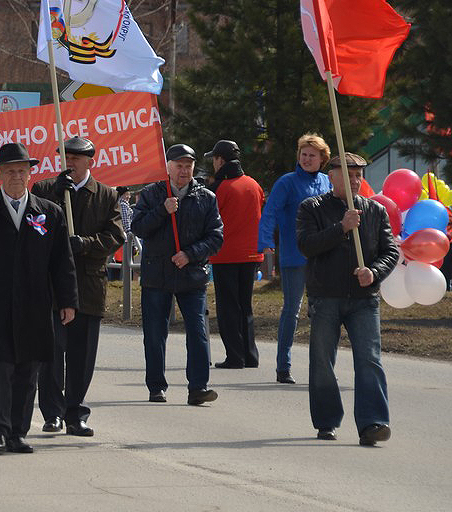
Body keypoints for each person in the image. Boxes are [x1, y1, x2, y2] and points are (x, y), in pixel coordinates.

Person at [0, 143, 78, 454]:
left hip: (35, 305)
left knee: (28, 370)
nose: (16, 177)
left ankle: (18, 432)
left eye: (22, 171)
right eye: (10, 171)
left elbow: (62, 261)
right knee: (0, 368)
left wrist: (67, 300)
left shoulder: (50, 213)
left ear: (30, 174)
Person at [297, 153, 399, 445]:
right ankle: (327, 421)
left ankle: (373, 423)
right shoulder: (312, 208)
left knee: (370, 360)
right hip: (325, 296)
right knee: (322, 362)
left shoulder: (375, 211)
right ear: (332, 177)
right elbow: (306, 245)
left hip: (364, 299)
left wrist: (374, 272)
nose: (355, 181)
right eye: (349, 175)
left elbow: (390, 251)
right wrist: (340, 228)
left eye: (359, 176)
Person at [31, 136, 125, 436]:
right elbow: (34, 229)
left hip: (87, 284)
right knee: (51, 351)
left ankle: (76, 412)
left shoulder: (107, 194)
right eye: (65, 157)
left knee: (82, 354)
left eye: (75, 158)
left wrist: (84, 244)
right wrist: (56, 199)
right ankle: (52, 412)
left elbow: (115, 236)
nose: (69, 162)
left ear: (89, 161)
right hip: (52, 285)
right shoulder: (45, 190)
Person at [130, 144, 224, 406]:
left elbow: (216, 236)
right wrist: (162, 210)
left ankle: (198, 387)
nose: (184, 170)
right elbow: (138, 227)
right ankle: (156, 386)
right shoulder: (151, 194)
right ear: (168, 167)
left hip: (191, 274)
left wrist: (190, 254)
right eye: (179, 165)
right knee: (155, 332)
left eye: (188, 165)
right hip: (156, 274)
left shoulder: (206, 197)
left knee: (197, 331)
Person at [258, 133, 332, 384]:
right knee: (292, 310)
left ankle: (320, 366)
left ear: (322, 159)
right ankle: (283, 366)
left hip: (322, 256)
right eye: (303, 154)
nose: (307, 159)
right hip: (294, 255)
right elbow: (270, 212)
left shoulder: (327, 182)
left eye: (312, 155)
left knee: (322, 311)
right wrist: (266, 241)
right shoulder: (287, 182)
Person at [205, 139, 265, 370]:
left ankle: (235, 356)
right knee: (245, 306)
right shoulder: (253, 184)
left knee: (228, 307)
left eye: (214, 159)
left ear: (220, 160)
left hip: (226, 254)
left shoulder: (218, 188)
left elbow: (210, 218)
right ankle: (250, 354)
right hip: (251, 253)